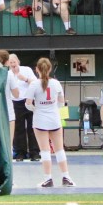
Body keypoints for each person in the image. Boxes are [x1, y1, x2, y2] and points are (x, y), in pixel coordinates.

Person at [25, 57, 74, 187]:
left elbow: (28, 104)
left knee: (45, 150)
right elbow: (61, 102)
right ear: (50, 69)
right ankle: (66, 177)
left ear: (37, 70)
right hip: (54, 119)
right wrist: (53, 109)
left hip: (40, 119)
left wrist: (37, 109)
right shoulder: (56, 83)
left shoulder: (34, 84)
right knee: (59, 150)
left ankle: (48, 178)